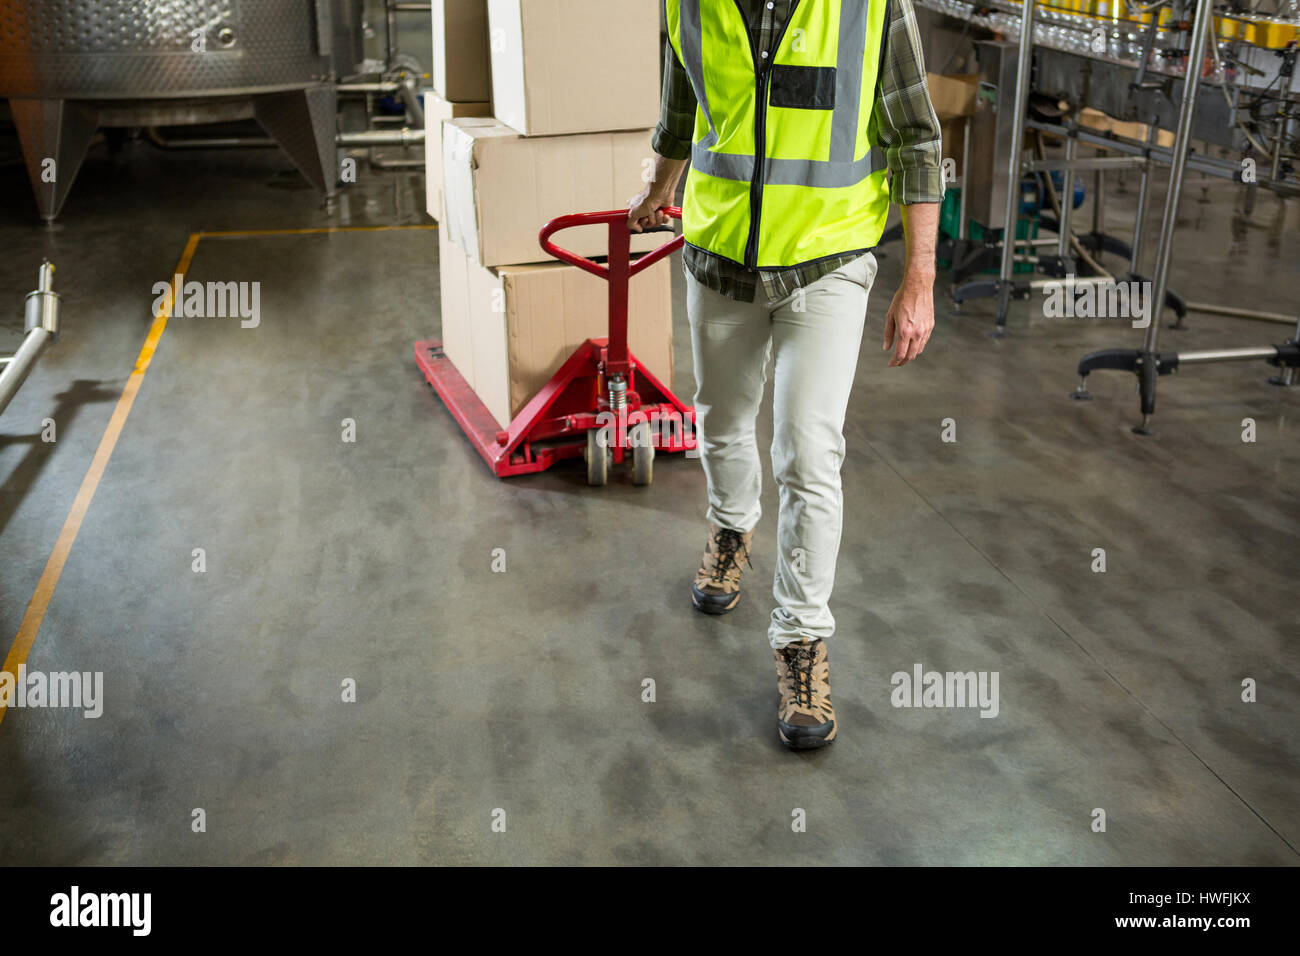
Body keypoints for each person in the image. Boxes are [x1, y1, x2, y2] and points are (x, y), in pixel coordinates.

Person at [628, 0, 944, 750]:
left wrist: (921, 278)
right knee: (724, 420)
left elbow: (916, 141)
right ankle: (733, 528)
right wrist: (655, 192)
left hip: (828, 262)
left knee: (807, 451)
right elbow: (682, 116)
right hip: (719, 256)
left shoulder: (871, 7)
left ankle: (801, 641)